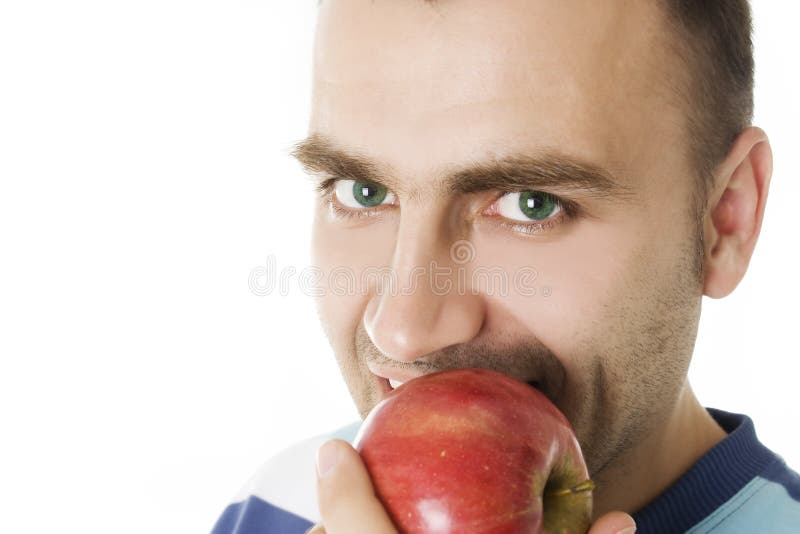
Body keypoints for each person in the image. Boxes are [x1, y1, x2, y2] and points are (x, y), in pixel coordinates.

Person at [212, 1, 800, 532]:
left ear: (725, 221)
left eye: (530, 203)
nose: (402, 330)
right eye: (362, 191)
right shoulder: (275, 507)